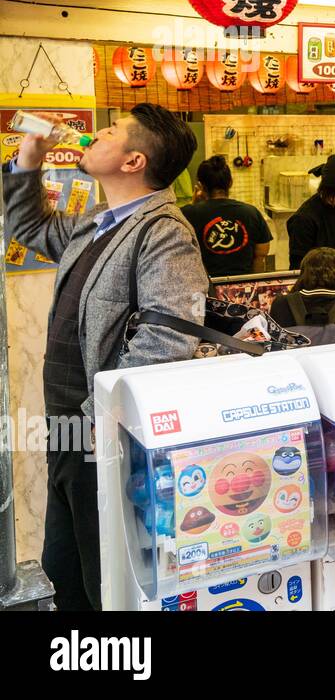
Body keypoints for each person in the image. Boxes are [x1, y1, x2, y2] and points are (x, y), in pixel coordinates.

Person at [2, 103, 207, 610]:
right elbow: (27, 226)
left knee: (104, 573)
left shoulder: (164, 232)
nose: (94, 136)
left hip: (103, 432)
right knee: (65, 562)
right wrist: (29, 156)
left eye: (110, 132)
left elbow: (169, 337)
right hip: (67, 425)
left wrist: (102, 418)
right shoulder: (97, 220)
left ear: (134, 161)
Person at [182, 155, 272, 277]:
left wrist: (194, 203)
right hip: (242, 287)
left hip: (205, 291)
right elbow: (261, 254)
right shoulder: (251, 213)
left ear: (201, 186)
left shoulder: (186, 214)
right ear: (230, 182)